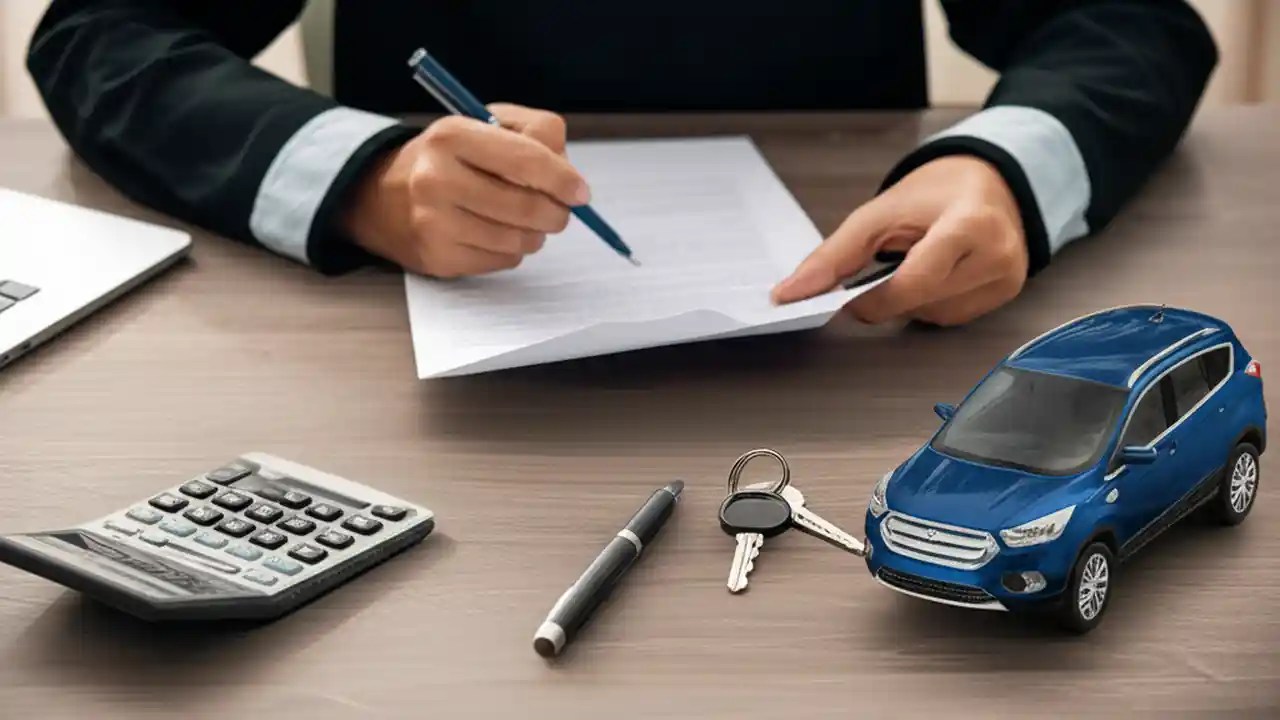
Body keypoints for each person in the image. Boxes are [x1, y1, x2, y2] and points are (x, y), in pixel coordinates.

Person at [27, 1, 1216, 326]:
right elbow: (101, 34)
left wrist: (1001, 168)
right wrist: (364, 176)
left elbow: (1128, 23)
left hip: (861, 351)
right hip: (418, 354)